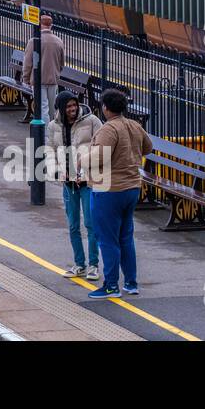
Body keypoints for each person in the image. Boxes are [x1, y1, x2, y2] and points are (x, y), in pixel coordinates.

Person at [88, 89, 152, 299]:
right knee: (126, 237)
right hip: (132, 187)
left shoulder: (109, 129)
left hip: (108, 189)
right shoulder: (134, 125)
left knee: (107, 239)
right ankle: (131, 283)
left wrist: (80, 161)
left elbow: (99, 157)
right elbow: (148, 148)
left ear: (106, 108)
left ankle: (111, 285)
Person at [46, 90, 102, 280]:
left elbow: (101, 147)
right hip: (68, 181)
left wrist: (89, 168)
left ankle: (94, 265)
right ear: (61, 108)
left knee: (91, 224)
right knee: (73, 226)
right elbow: (51, 150)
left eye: (74, 105)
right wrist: (54, 169)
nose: (72, 109)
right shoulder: (54, 126)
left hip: (88, 181)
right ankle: (80, 264)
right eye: (68, 106)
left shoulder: (92, 121)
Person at [21, 13, 64, 123]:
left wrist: (26, 79)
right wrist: (56, 73)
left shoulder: (34, 41)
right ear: (51, 26)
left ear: (40, 25)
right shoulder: (58, 41)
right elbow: (61, 63)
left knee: (42, 108)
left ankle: (45, 134)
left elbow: (27, 63)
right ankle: (53, 131)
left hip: (38, 80)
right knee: (52, 109)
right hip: (53, 80)